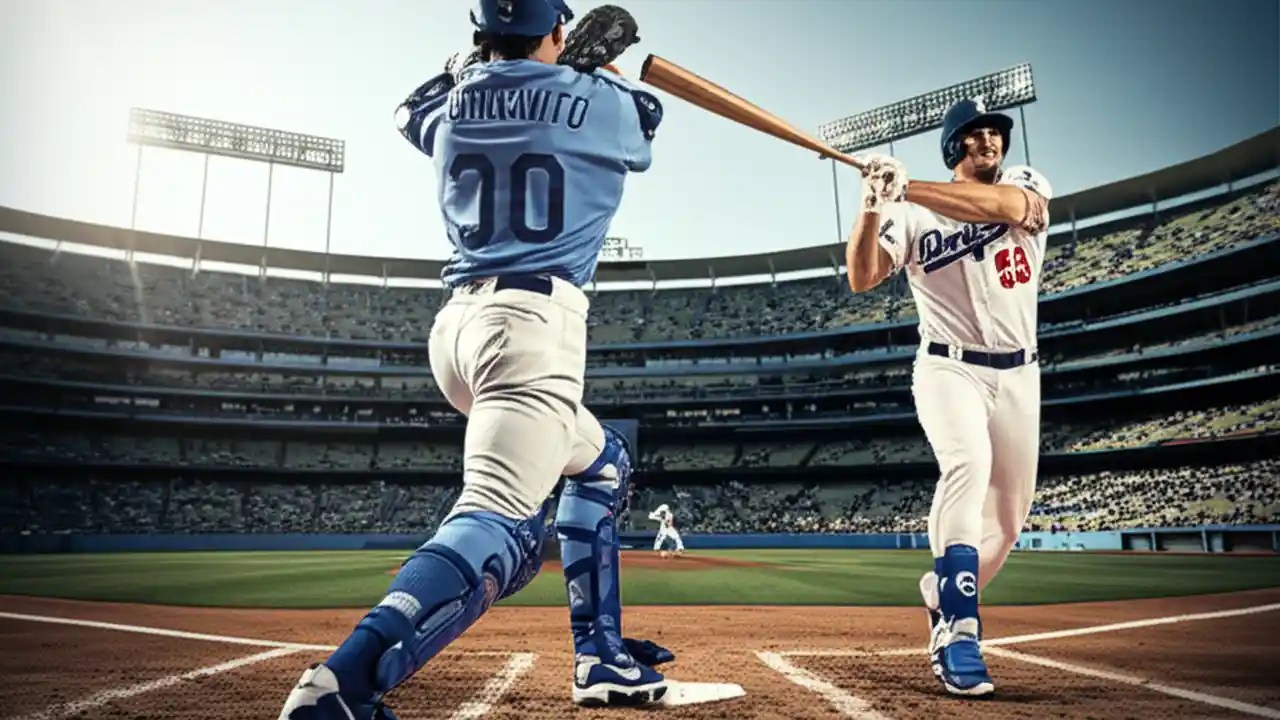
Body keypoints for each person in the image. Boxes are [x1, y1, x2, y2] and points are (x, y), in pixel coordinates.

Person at [277, 2, 671, 717]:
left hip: (459, 331)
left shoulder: (455, 101)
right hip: (529, 330)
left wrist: (495, 65)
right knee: (502, 525)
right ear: (556, 29)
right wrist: (587, 66)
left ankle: (601, 656)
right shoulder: (593, 96)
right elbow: (647, 120)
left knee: (602, 461)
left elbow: (409, 113)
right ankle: (342, 685)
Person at [845, 96, 1052, 698]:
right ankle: (959, 631)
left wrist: (909, 186)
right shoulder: (910, 215)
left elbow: (1005, 207)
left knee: (1009, 522)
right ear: (952, 146)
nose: (989, 141)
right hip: (948, 369)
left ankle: (943, 589)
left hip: (1020, 375)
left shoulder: (1023, 183)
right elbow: (861, 275)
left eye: (995, 132)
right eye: (975, 133)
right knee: (967, 465)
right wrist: (872, 205)